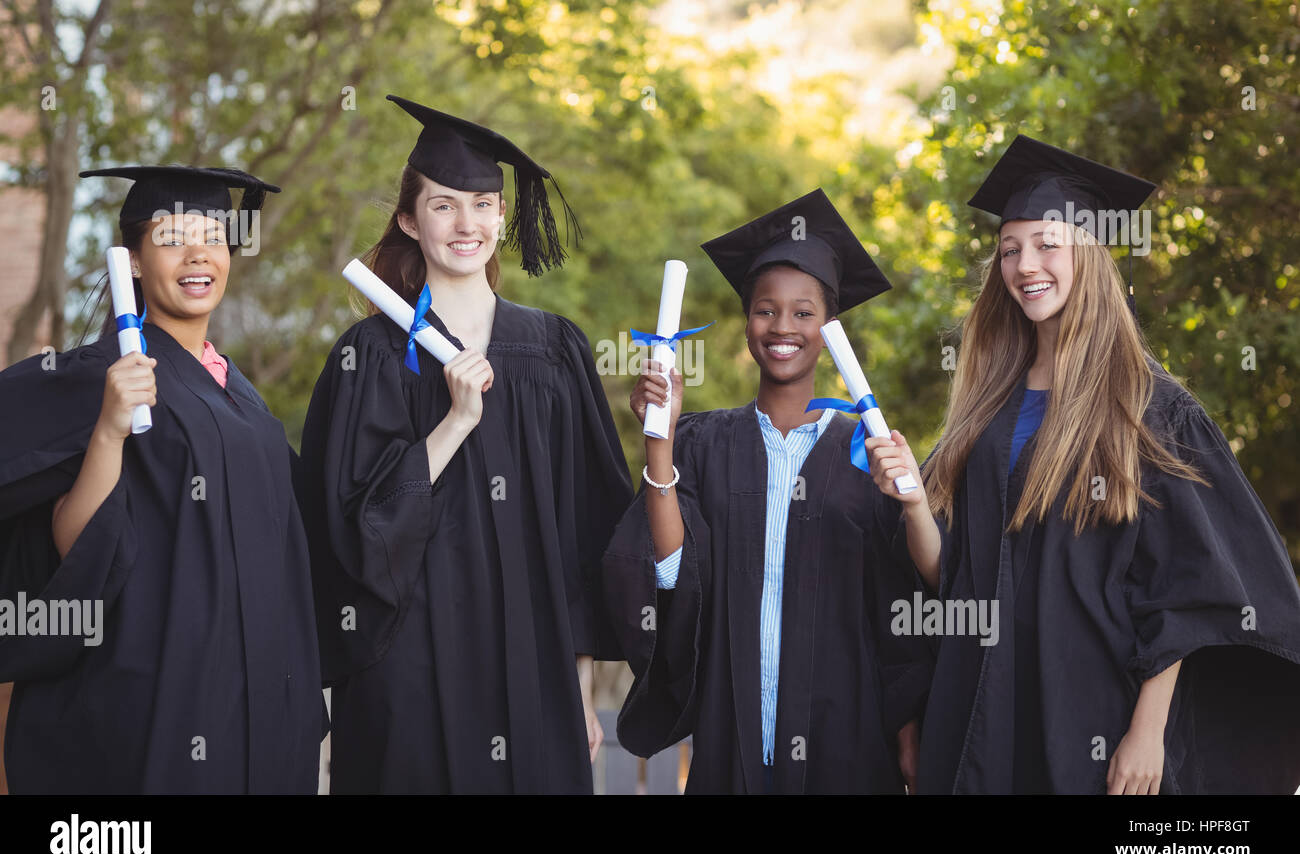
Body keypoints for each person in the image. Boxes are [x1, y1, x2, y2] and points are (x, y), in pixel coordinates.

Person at [866, 135, 1300, 794]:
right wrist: (912, 504)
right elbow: (949, 578)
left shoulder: (1150, 409)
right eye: (1010, 250)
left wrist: (1147, 734)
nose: (1024, 264)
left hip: (1092, 710)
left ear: (1088, 255)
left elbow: (1187, 592)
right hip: (981, 706)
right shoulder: (985, 408)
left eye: (1047, 244)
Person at [297, 96, 632, 793]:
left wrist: (578, 686)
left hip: (533, 666)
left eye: (482, 204)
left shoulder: (554, 351)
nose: (466, 223)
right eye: (444, 205)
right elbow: (349, 530)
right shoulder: (369, 358)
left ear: (502, 218)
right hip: (407, 670)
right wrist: (452, 423)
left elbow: (581, 533)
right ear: (409, 219)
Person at [0, 165, 323, 793]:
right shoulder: (98, 376)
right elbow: (74, 548)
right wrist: (108, 430)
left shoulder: (242, 395)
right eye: (172, 236)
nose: (198, 253)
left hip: (257, 708)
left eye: (213, 234)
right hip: (157, 705)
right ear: (134, 262)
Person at [602, 189, 931, 794]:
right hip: (734, 732)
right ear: (746, 321)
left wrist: (909, 739)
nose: (783, 327)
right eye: (765, 310)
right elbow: (674, 572)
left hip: (847, 736)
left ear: (830, 327)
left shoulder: (870, 452)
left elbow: (898, 607)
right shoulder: (703, 440)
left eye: (804, 313)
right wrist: (661, 439)